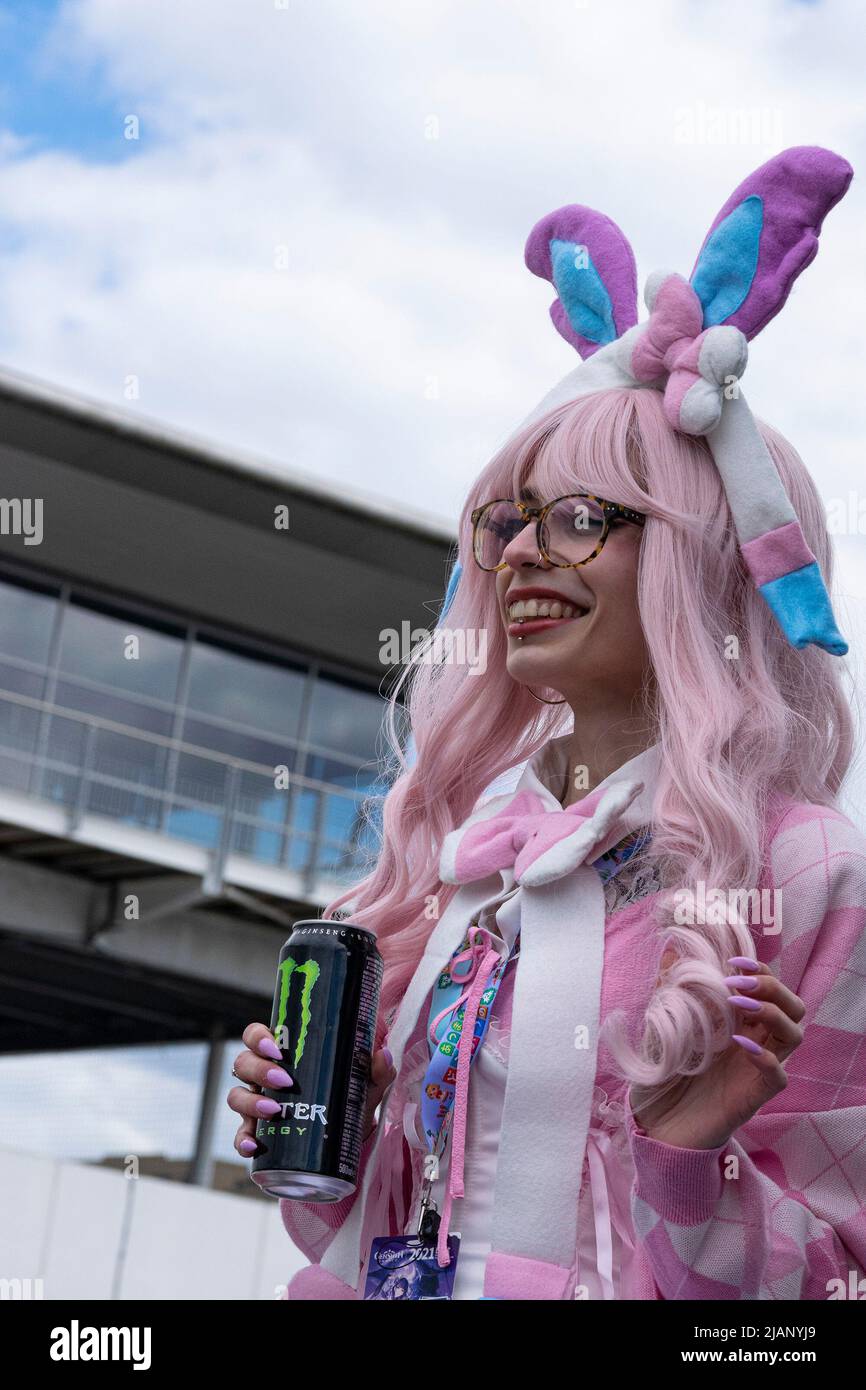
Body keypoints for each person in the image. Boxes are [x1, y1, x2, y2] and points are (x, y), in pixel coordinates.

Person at [228, 146, 866, 1300]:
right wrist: (330, 1143)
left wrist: (685, 1163)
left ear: (704, 559)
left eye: (579, 516)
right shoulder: (471, 846)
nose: (524, 552)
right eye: (510, 522)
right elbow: (380, 1223)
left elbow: (835, 1287)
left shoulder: (812, 866)